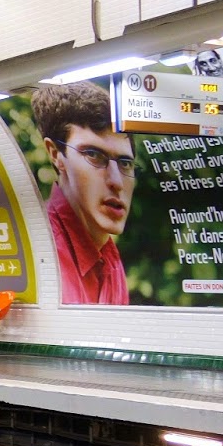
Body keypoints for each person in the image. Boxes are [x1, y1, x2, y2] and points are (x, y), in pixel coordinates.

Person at [30, 81, 135, 305]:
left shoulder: (111, 260)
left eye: (125, 163)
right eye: (94, 155)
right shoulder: (39, 254)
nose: (116, 181)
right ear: (56, 155)